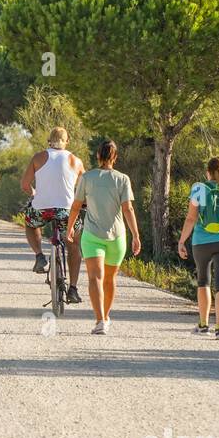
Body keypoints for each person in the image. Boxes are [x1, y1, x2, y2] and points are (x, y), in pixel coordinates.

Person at [66, 140, 141, 334]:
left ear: (98, 156)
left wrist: (69, 228)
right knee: (109, 279)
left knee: (94, 279)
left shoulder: (87, 178)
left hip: (92, 235)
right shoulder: (123, 179)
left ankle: (100, 320)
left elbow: (76, 206)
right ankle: (105, 317)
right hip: (117, 236)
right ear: (115, 158)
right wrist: (135, 235)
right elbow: (128, 208)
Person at [177, 156, 219, 340]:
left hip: (201, 241)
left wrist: (182, 241)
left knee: (203, 281)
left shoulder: (198, 188)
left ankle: (203, 324)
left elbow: (191, 218)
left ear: (208, 172)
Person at [20, 126, 85, 304]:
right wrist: (81, 202)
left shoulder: (38, 158)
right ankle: (73, 288)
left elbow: (25, 185)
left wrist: (34, 194)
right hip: (67, 211)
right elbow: (85, 188)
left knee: (30, 223)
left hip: (42, 209)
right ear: (67, 141)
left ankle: (40, 256)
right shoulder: (76, 161)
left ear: (49, 141)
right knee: (74, 243)